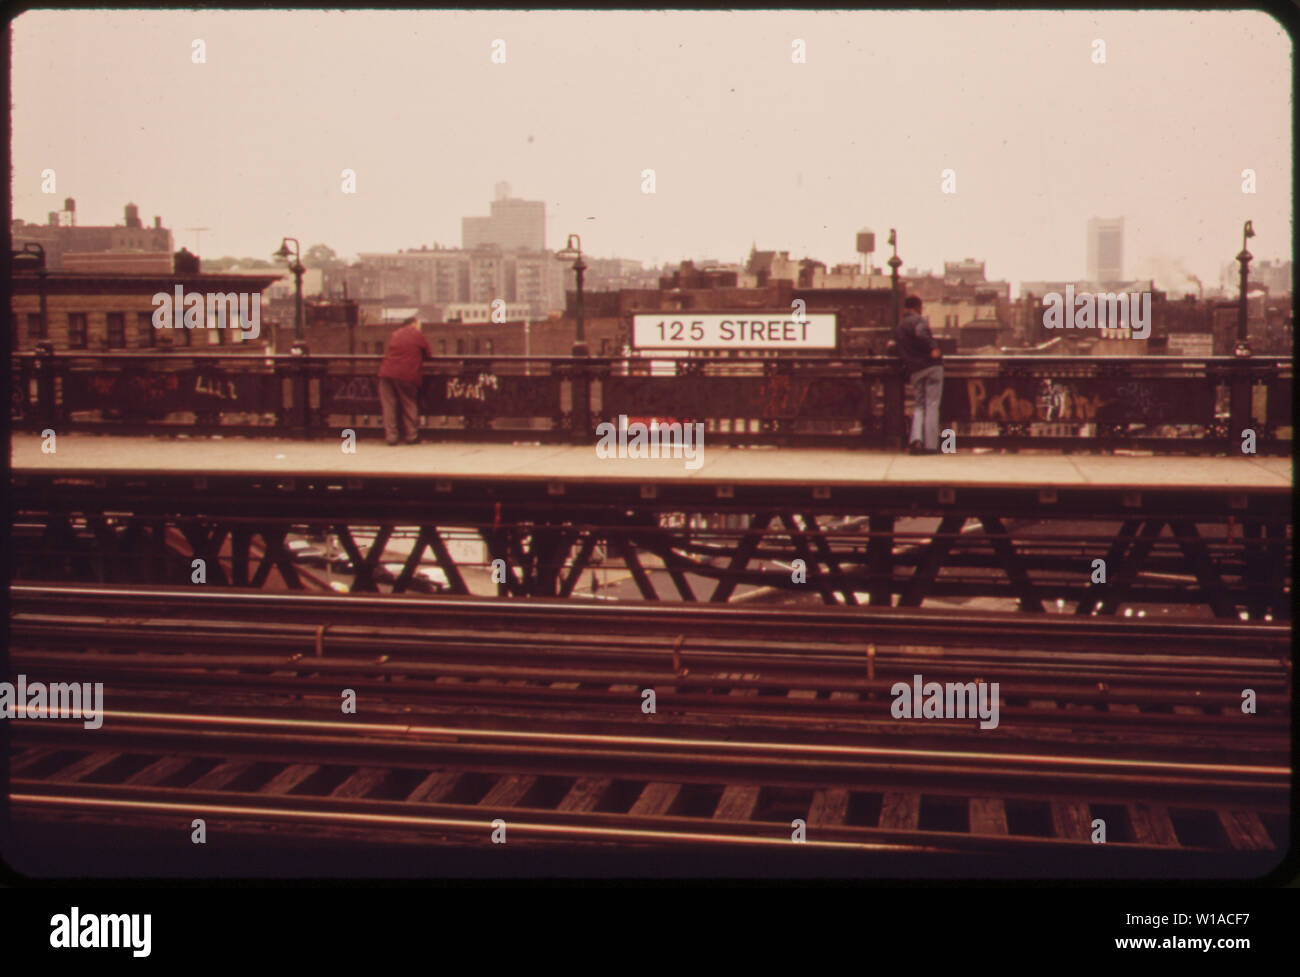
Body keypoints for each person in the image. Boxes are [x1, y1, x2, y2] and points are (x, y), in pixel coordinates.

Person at [894, 295, 944, 454]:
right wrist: (933, 348)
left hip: (914, 369)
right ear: (917, 307)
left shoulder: (899, 326)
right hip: (931, 367)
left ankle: (916, 440)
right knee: (932, 405)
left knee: (919, 405)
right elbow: (921, 333)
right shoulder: (919, 320)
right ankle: (930, 445)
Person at [377, 315, 432, 445]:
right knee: (409, 403)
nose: (420, 327)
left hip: (386, 372)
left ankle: (391, 437)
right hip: (406, 375)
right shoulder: (417, 335)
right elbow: (428, 354)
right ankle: (411, 436)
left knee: (389, 406)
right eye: (419, 324)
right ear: (414, 323)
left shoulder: (396, 334)